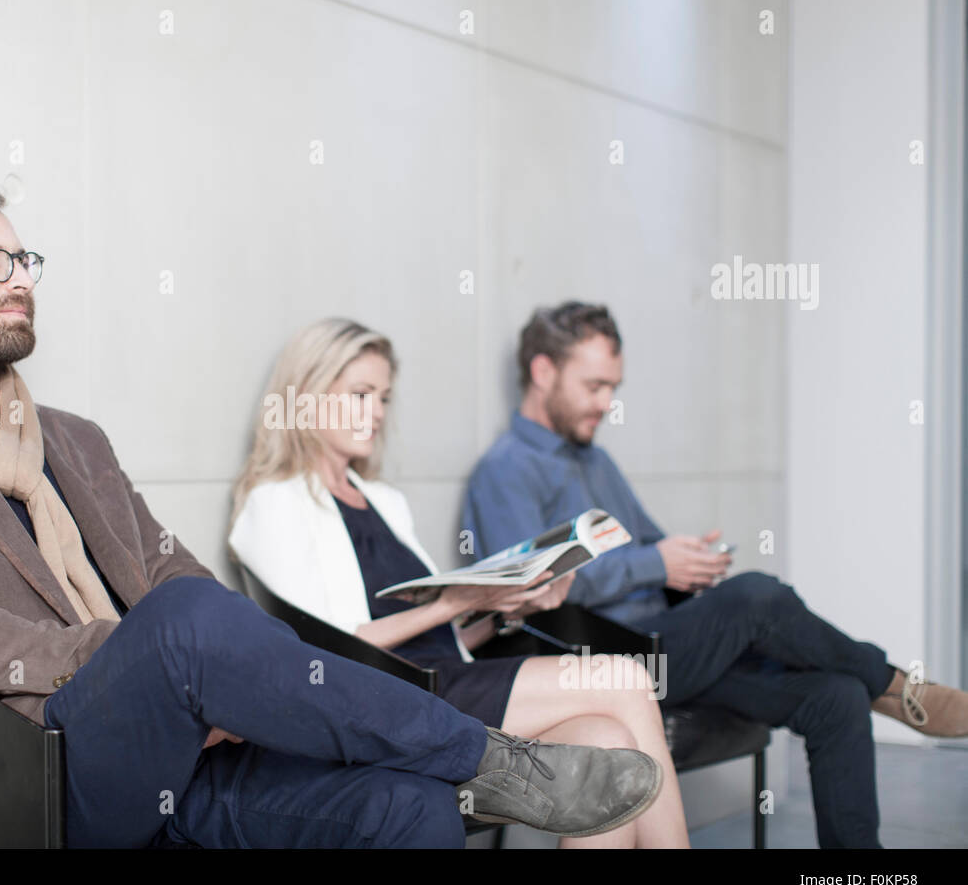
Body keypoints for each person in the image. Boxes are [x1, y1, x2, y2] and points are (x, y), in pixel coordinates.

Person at [0, 173, 664, 849]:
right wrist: (129, 659)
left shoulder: (74, 439)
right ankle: (484, 756)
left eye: (23, 261)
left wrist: (221, 680)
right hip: (57, 758)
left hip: (195, 751)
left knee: (407, 805)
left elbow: (170, 565)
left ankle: (448, 766)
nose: (17, 279)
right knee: (180, 624)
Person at [464, 299, 968, 849]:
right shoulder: (505, 469)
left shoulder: (594, 461)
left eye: (614, 388)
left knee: (835, 696)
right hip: (599, 662)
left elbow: (643, 546)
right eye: (595, 386)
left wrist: (684, 561)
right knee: (757, 596)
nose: (606, 403)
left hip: (665, 644)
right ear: (543, 371)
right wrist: (657, 563)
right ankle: (891, 683)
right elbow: (524, 588)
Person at [228, 318, 689, 847]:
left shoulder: (384, 501)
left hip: (443, 677)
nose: (376, 412)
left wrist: (506, 607)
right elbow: (320, 655)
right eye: (360, 394)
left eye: (383, 397)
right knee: (625, 680)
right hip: (391, 701)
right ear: (306, 396)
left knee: (611, 747)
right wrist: (450, 603)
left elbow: (439, 634)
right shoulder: (274, 504)